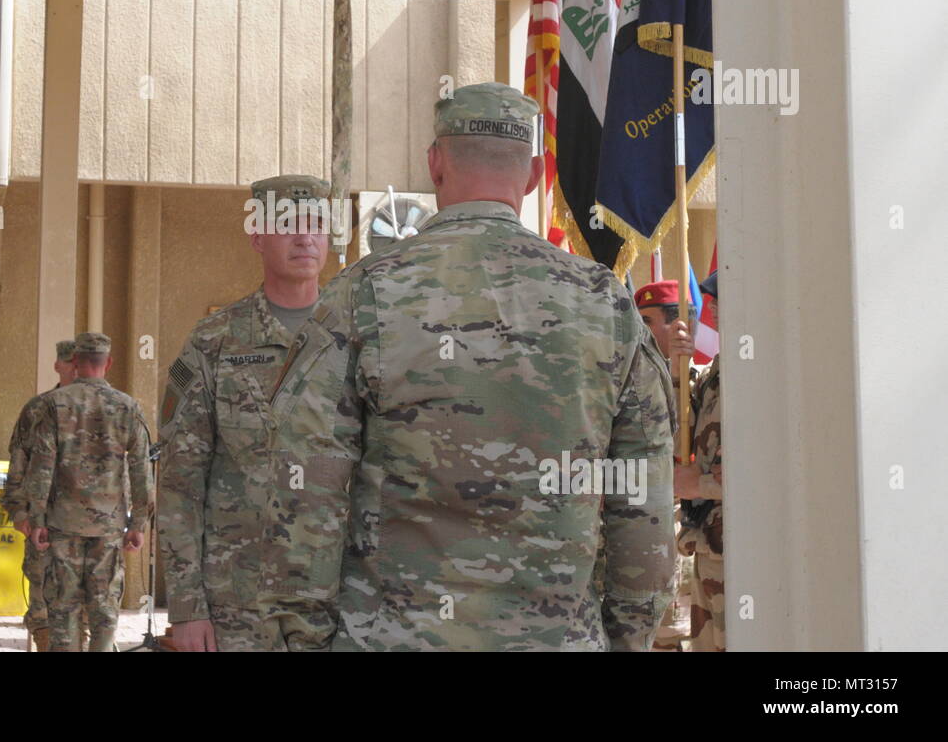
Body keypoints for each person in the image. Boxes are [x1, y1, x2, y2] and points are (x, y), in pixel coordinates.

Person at [259, 82, 676, 651]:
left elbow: (304, 487)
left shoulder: (361, 295)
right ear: (532, 175)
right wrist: (625, 640)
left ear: (435, 164)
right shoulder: (605, 302)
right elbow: (644, 505)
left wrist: (307, 638)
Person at [158, 174, 332, 652]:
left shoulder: (360, 339)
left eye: (317, 223)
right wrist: (187, 609)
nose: (305, 236)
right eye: (288, 223)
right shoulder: (213, 342)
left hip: (337, 607)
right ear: (257, 235)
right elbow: (180, 483)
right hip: (237, 607)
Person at [24, 333, 153, 653]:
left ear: (77, 362)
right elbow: (141, 470)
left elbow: (41, 466)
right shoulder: (127, 406)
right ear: (107, 363)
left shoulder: (54, 404)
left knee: (63, 609)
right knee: (104, 608)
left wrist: (36, 518)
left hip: (62, 525)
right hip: (108, 529)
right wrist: (138, 523)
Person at [1, 339, 81, 652]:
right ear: (57, 365)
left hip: (91, 525)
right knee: (42, 604)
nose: (72, 369)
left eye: (78, 363)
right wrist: (18, 511)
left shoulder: (107, 406)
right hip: (44, 522)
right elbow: (18, 461)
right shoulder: (37, 408)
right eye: (67, 362)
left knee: (85, 605)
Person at [634, 279, 698, 652]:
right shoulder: (634, 376)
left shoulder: (702, 382)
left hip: (683, 534)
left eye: (647, 320)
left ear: (677, 325)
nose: (639, 330)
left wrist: (678, 369)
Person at [676, 271, 724, 651]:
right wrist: (680, 368)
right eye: (713, 302)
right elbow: (683, 427)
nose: (715, 309)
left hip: (739, 545)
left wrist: (698, 484)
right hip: (707, 540)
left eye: (722, 300)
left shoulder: (761, 370)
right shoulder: (718, 372)